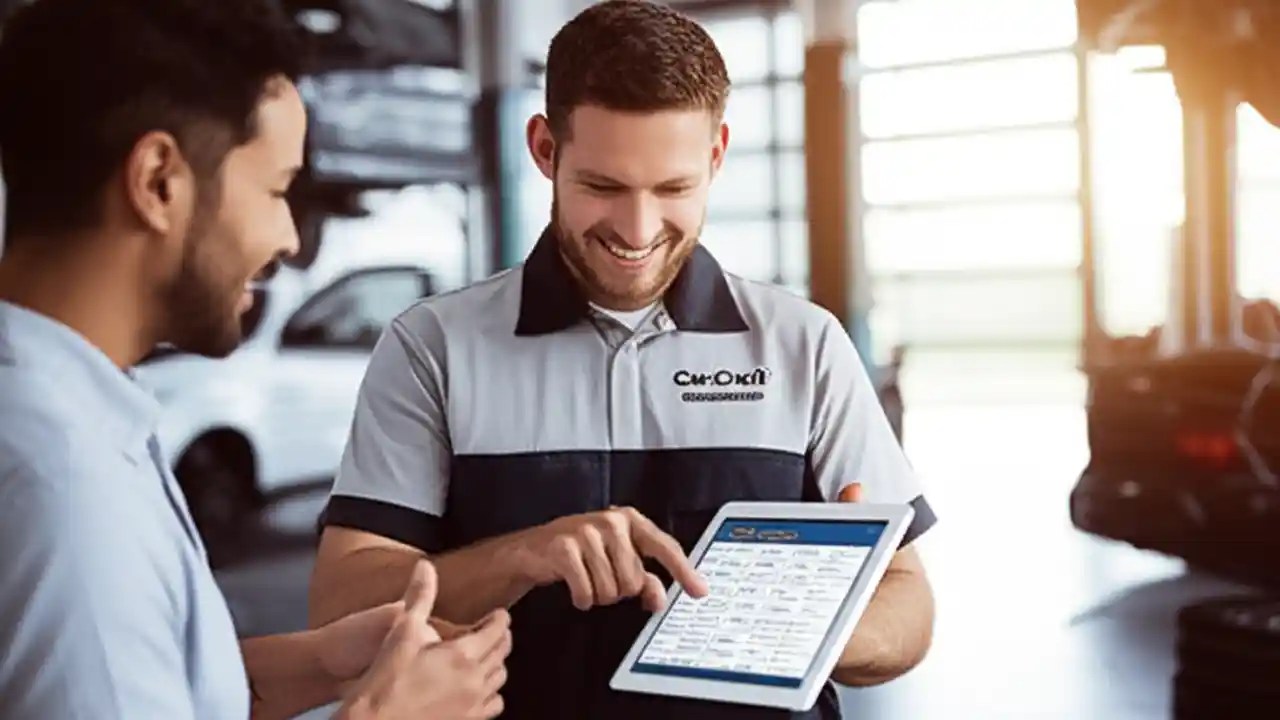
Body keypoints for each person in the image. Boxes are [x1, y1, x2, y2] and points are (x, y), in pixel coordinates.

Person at [309, 1, 937, 718]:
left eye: (673, 189)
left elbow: (909, 603)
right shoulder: (431, 350)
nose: (638, 232)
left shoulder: (806, 345)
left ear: (716, 155)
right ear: (545, 149)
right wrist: (519, 558)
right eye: (603, 187)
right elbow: (340, 603)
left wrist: (800, 624)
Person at [0, 1, 510, 718]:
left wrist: (323, 663)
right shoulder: (61, 483)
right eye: (276, 190)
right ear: (158, 182)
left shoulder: (62, 412)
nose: (289, 240)